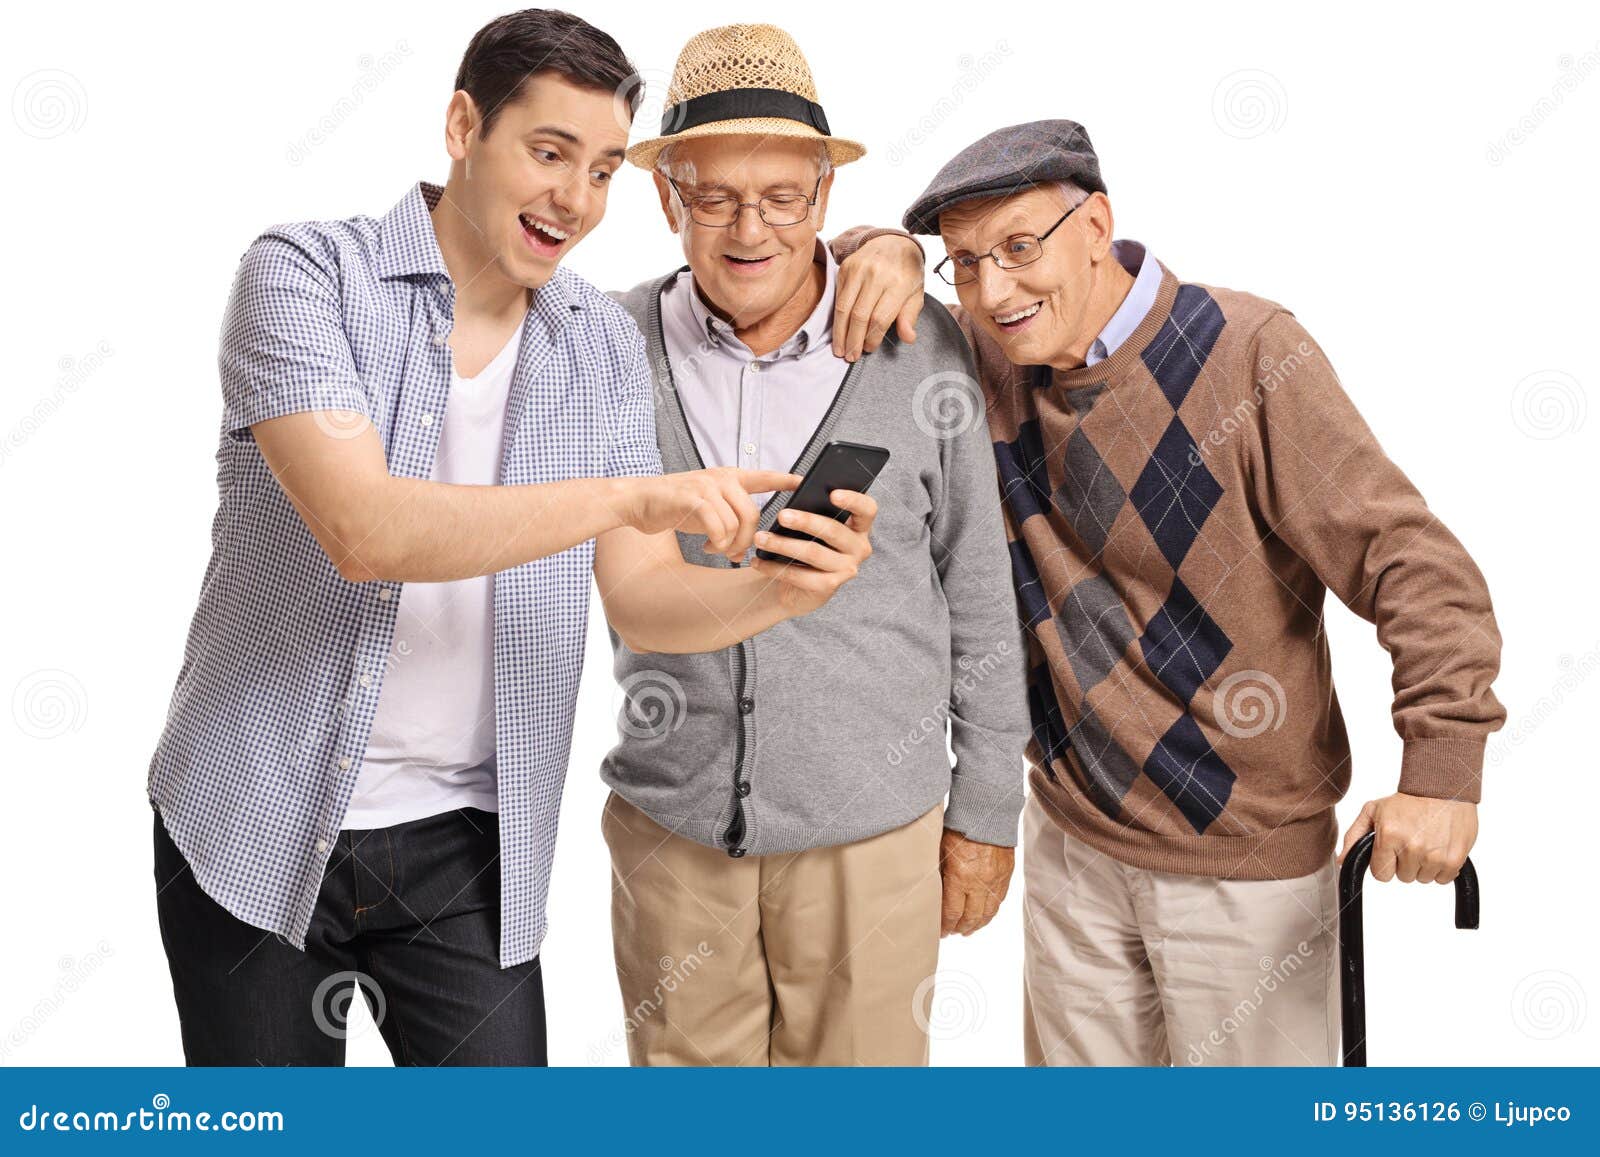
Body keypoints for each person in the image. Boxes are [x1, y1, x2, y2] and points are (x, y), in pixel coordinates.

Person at [147, 9, 880, 1067]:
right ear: (463, 127)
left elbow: (642, 596)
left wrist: (781, 590)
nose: (575, 199)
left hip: (467, 850)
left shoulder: (598, 344)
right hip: (256, 814)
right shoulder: (305, 276)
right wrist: (626, 495)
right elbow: (367, 529)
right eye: (549, 153)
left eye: (603, 170)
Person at [851, 118, 1506, 1065]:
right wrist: (882, 249)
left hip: (1244, 866)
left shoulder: (1248, 353)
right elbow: (838, 269)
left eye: (1020, 247)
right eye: (965, 262)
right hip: (1071, 840)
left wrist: (1443, 772)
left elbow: (1412, 563)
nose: (993, 291)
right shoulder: (986, 358)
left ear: (1096, 226)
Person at [597, 25, 1029, 1066]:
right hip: (673, 835)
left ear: (825, 199)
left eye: (784, 197)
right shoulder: (606, 346)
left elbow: (980, 589)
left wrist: (987, 808)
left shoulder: (922, 346)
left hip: (874, 837)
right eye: (714, 197)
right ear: (667, 200)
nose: (751, 228)